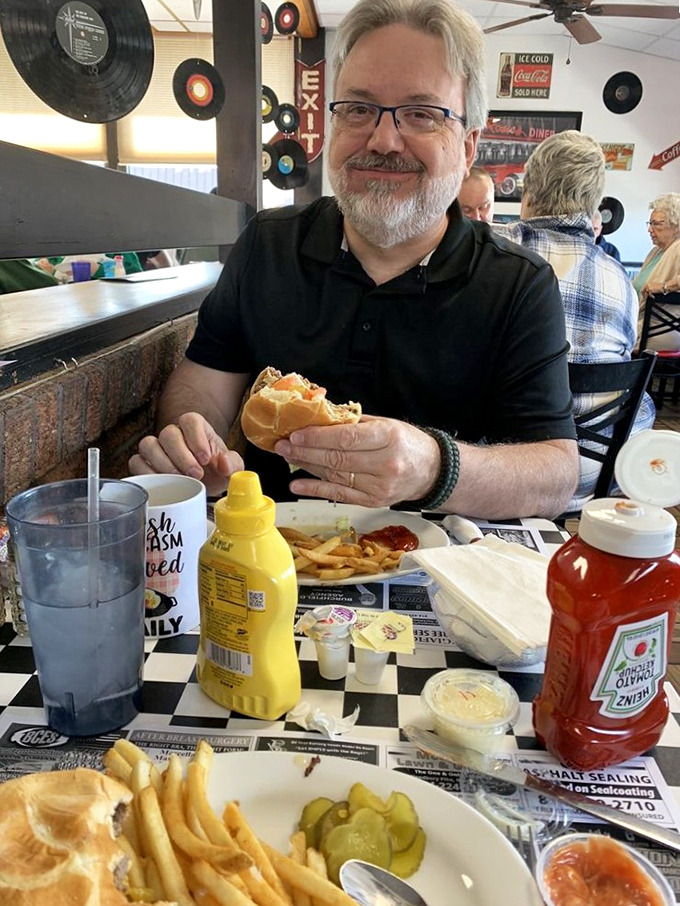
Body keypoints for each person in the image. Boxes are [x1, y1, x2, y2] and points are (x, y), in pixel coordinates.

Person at [130, 0, 578, 520]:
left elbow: (554, 476)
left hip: (442, 558)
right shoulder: (267, 244)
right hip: (268, 547)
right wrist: (194, 440)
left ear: (468, 146)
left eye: (421, 114)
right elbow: (204, 381)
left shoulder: (519, 283)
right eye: (359, 109)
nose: (383, 141)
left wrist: (435, 467)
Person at [496, 130, 655, 507]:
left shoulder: (493, 252)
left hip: (499, 470)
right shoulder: (621, 279)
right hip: (593, 476)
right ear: (594, 205)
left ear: (528, 194)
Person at [633, 193, 680, 351]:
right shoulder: (656, 252)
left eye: (656, 224)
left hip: (659, 331)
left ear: (676, 226)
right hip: (641, 325)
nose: (649, 229)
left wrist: (665, 286)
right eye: (650, 223)